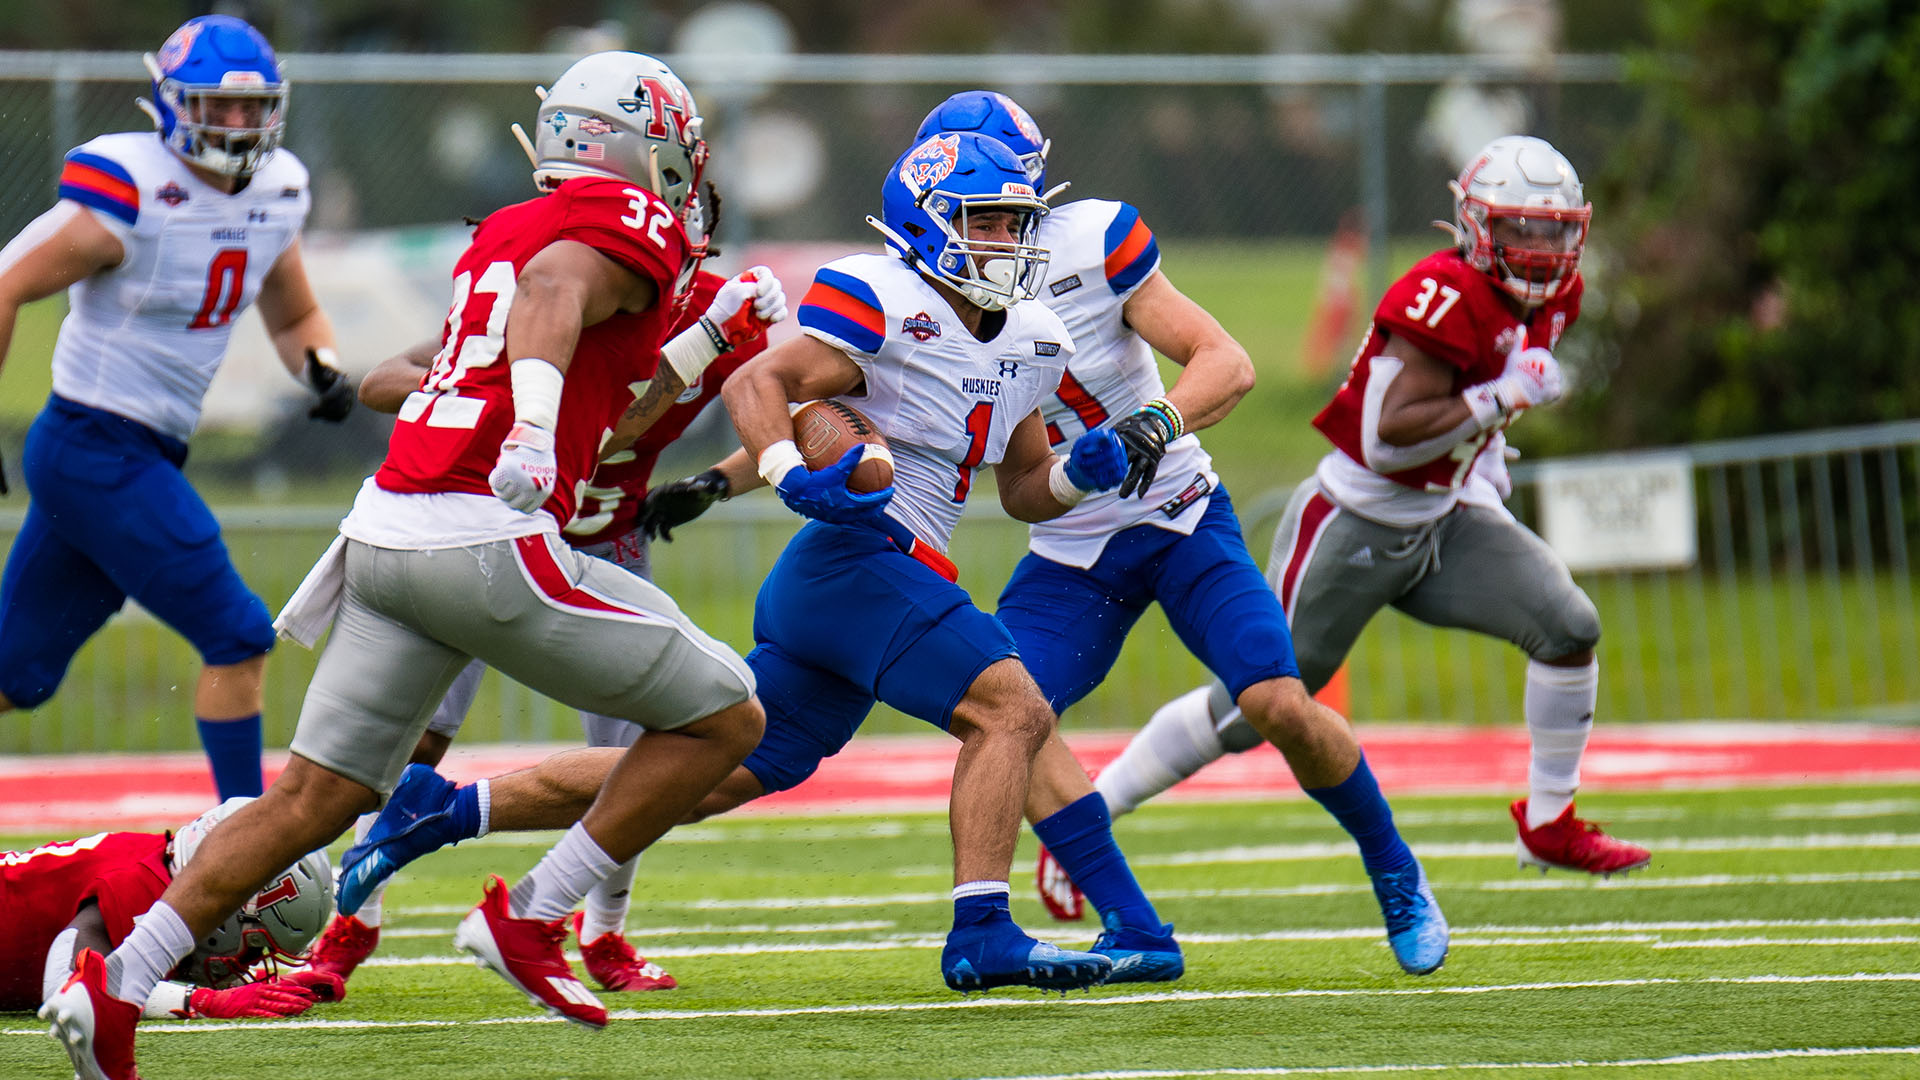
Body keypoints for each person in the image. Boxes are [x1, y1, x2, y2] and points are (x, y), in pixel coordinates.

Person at [43, 50, 776, 1078]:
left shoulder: (504, 232)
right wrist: (527, 436)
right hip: (482, 537)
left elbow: (511, 364)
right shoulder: (624, 225)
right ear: (642, 145)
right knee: (731, 719)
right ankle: (534, 914)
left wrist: (692, 354)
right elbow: (559, 297)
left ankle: (118, 986)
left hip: (386, 533)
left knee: (309, 800)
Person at [341, 130, 1178, 994]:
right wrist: (787, 476)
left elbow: (1025, 488)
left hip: (886, 573)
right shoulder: (884, 296)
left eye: (1017, 223)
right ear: (930, 225)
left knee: (709, 773)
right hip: (858, 558)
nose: (1011, 241)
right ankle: (981, 929)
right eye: (992, 221)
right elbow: (757, 385)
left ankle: (445, 810)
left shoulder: (1035, 337)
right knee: (1010, 709)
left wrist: (1082, 474)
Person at [902, 93, 1448, 975]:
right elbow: (1025, 493)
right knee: (1008, 716)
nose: (984, 230)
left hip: (1180, 514)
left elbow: (1227, 362)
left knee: (1276, 702)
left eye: (997, 210)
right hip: (1075, 553)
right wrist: (1075, 473)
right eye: (968, 212)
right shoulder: (926, 302)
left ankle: (1393, 867)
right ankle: (1136, 929)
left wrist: (1144, 429)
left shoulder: (1094, 242)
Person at [1096, 135, 1652, 878]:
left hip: (1447, 517)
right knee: (1256, 706)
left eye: (1553, 230)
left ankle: (1548, 822)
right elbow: (1383, 439)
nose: (1540, 247)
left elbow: (1476, 414)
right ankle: (1094, 813)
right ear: (1480, 225)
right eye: (1520, 227)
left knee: (1569, 625)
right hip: (1356, 519)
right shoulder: (1442, 296)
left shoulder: (1558, 298)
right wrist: (1498, 399)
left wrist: (1483, 461)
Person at [307, 246, 772, 997]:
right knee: (409, 739)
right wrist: (478, 395)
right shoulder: (566, 284)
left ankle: (605, 932)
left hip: (600, 541)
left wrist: (715, 481)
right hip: (489, 537)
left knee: (650, 761)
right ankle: (349, 923)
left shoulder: (714, 304)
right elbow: (382, 380)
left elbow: (771, 408)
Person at [0, 14, 355, 804]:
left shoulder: (277, 189)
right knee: (236, 634)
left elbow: (294, 316)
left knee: (15, 673)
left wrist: (321, 371)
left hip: (144, 453)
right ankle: (242, 857)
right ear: (169, 104)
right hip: (92, 446)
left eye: (249, 107)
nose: (235, 125)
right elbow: (7, 282)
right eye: (214, 106)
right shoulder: (129, 188)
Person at [3, 798, 337, 1021]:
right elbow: (68, 986)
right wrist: (205, 1002)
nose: (249, 960)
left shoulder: (167, 870)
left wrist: (270, 988)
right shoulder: (142, 883)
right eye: (255, 946)